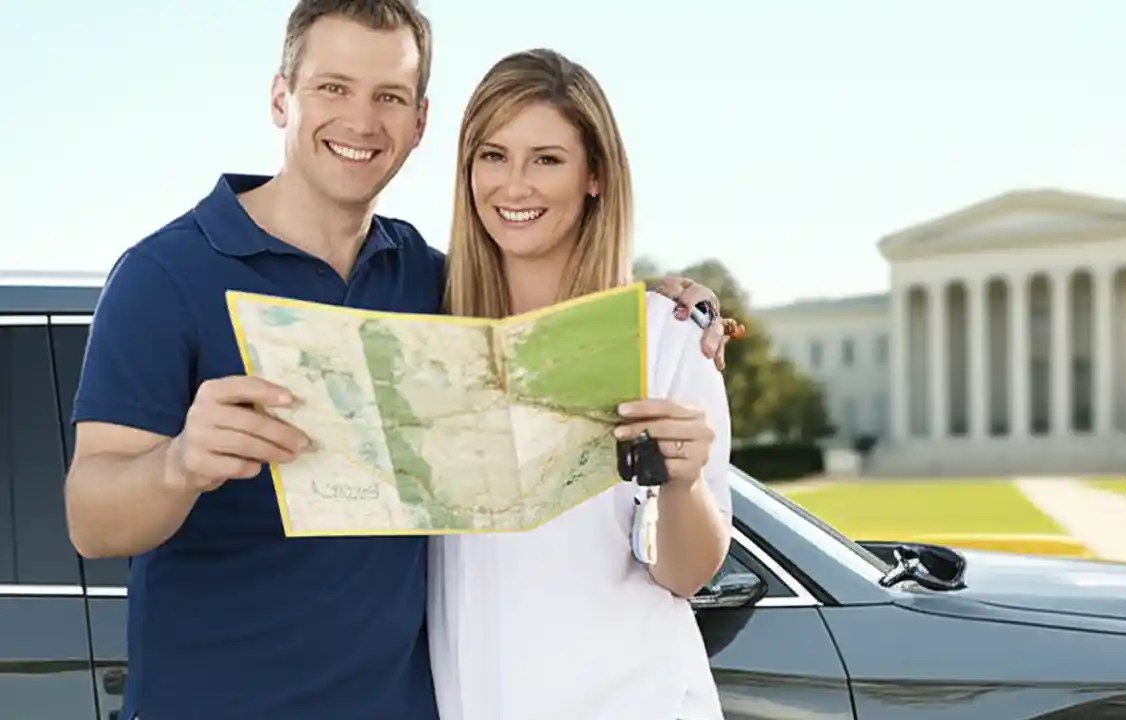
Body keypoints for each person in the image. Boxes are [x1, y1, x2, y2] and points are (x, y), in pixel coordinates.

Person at [62, 3, 729, 719]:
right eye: (333, 87)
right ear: (281, 96)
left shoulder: (431, 287)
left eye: (389, 97)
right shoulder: (163, 277)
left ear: (420, 123)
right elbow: (91, 524)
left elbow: (548, 292)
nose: (360, 121)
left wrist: (670, 305)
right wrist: (180, 463)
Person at [426, 48, 733, 720]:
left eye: (547, 159)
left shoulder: (670, 335)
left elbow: (684, 574)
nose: (515, 185)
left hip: (636, 700)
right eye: (492, 155)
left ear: (594, 175)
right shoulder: (426, 337)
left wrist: (681, 482)